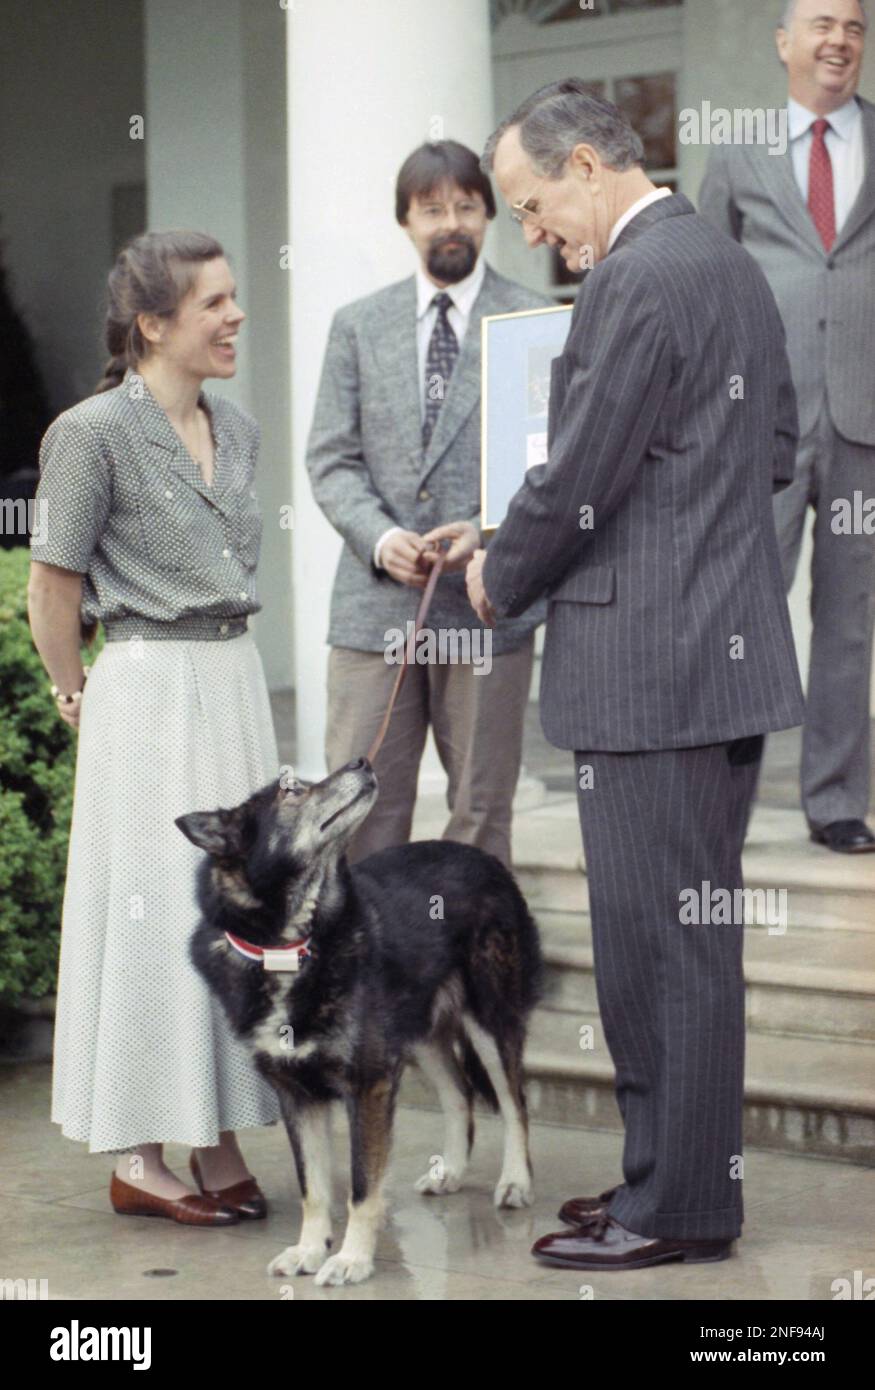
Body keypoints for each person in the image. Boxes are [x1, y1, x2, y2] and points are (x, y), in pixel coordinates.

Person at [466, 82, 805, 1271]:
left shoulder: (629, 278)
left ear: (584, 165)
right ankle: (663, 1179)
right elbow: (771, 451)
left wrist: (499, 572)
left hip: (649, 671)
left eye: (529, 203)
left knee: (656, 949)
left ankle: (675, 1210)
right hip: (715, 658)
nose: (529, 233)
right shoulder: (729, 264)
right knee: (683, 942)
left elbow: (575, 480)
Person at [28, 230, 280, 1226]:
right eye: (212, 303)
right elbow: (52, 585)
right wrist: (72, 687)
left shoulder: (241, 428)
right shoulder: (88, 434)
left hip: (233, 682)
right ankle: (137, 1151)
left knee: (231, 913)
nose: (233, 316)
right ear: (152, 324)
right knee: (151, 912)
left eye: (233, 296)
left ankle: (213, 1133)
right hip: (145, 690)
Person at [306, 140, 551, 869]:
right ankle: (364, 974)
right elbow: (331, 457)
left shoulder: (532, 320)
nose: (451, 222)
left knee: (480, 811)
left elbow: (543, 466)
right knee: (358, 811)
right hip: (373, 602)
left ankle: (474, 973)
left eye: (467, 207)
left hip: (484, 603)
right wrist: (382, 539)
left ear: (489, 216)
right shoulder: (358, 324)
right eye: (432, 208)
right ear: (404, 220)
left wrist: (482, 533)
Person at [700, 0, 875, 854]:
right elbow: (701, 289)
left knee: (849, 619)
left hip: (863, 424)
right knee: (743, 612)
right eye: (821, 23)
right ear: (784, 42)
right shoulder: (737, 151)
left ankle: (837, 800)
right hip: (757, 424)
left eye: (854, 26)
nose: (838, 39)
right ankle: (722, 798)